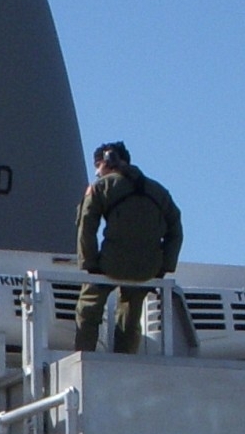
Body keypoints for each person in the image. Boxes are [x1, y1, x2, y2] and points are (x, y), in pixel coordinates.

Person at [71, 141, 182, 353]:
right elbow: (176, 230)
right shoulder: (159, 191)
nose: (97, 172)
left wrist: (90, 264)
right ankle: (125, 359)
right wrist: (163, 267)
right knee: (131, 313)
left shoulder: (102, 187)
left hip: (111, 264)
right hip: (148, 268)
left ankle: (83, 356)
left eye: (98, 165)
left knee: (88, 307)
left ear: (108, 160)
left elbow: (85, 224)